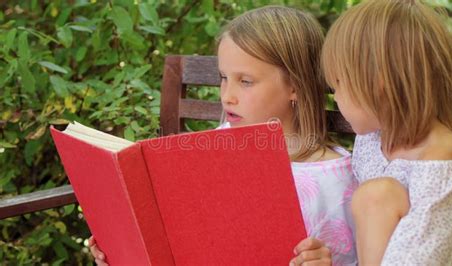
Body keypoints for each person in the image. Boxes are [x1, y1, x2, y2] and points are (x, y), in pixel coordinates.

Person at [90, 6, 358, 266]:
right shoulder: (218, 144)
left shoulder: (334, 180)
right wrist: (123, 249)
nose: (227, 96)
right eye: (223, 78)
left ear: (295, 86)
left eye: (245, 81)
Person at [320, 0, 452, 265]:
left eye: (338, 85)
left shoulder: (441, 160)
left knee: (377, 193)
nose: (337, 99)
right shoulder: (371, 140)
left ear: (379, 83)